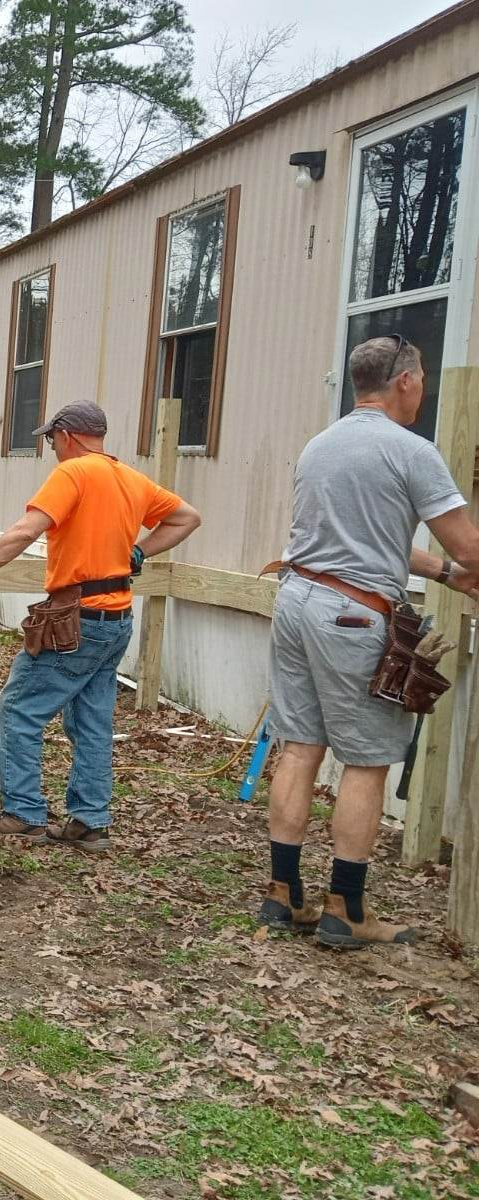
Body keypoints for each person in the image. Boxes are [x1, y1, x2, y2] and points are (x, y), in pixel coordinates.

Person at [260, 335, 479, 948]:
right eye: (422, 379)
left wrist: (440, 574)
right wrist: (463, 566)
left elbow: (372, 537)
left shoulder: (320, 446)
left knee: (300, 747)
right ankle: (346, 909)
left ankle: (283, 898)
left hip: (297, 599)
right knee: (366, 759)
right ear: (405, 380)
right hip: (353, 618)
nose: (424, 389)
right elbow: (469, 547)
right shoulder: (411, 451)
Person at [0, 401, 201, 850]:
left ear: (67, 435)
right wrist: (141, 551)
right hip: (115, 619)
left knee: (18, 712)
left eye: (51, 440)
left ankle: (23, 813)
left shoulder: (74, 473)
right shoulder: (130, 478)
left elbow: (25, 530)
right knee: (92, 722)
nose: (52, 449)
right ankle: (89, 821)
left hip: (77, 620)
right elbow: (187, 517)